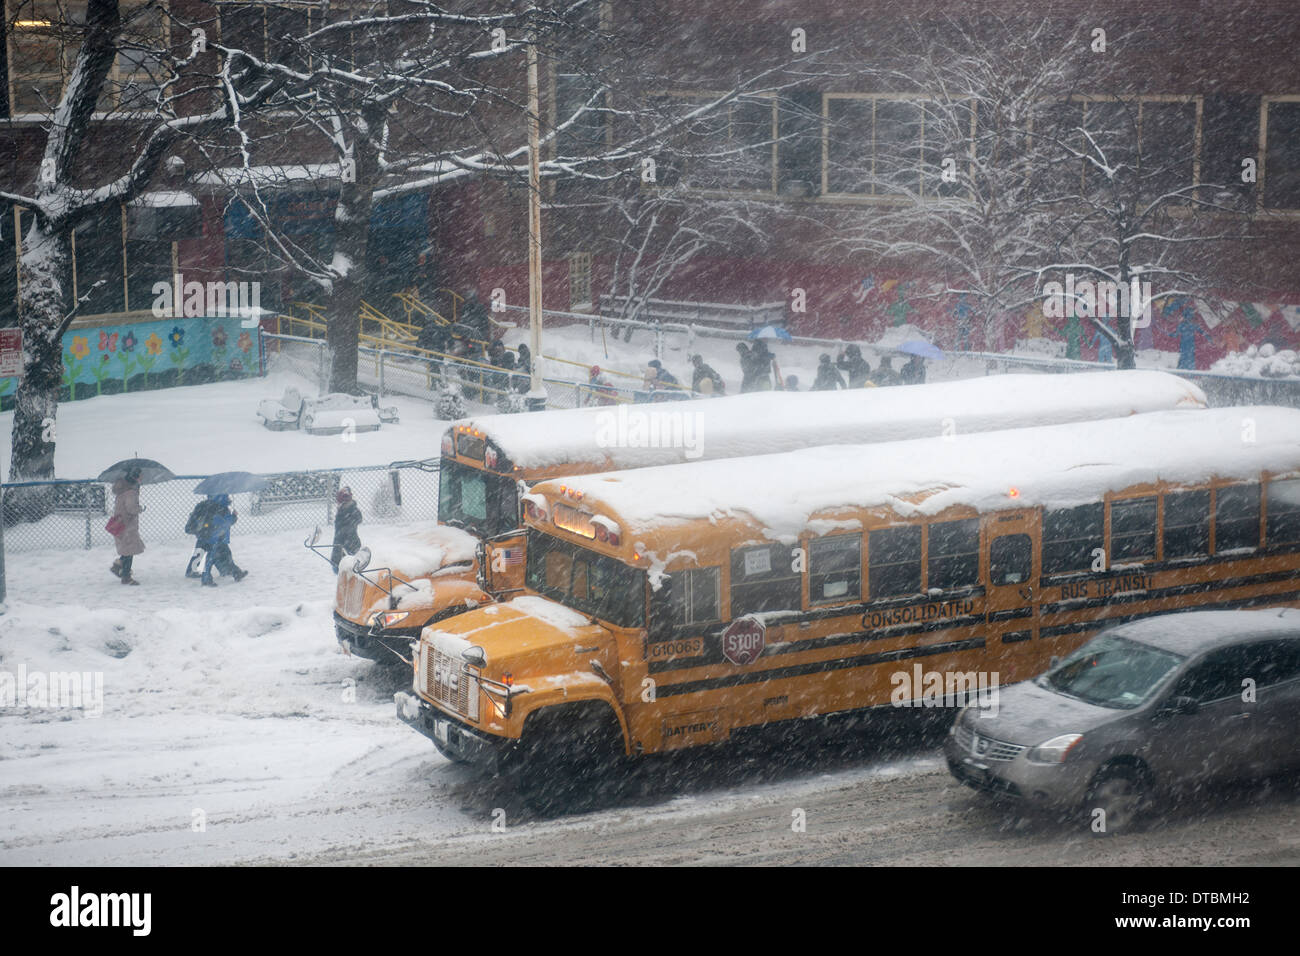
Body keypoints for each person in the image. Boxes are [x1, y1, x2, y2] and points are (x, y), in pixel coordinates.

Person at [197, 494, 246, 587]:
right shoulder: (222, 509)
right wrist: (234, 516)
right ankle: (206, 578)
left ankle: (236, 572)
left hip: (212, 537)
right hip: (217, 538)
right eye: (226, 497)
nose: (228, 499)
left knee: (226, 555)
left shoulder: (209, 507)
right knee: (211, 559)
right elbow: (227, 522)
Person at [109, 467, 144, 585]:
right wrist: (139, 508)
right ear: (134, 478)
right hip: (128, 525)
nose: (141, 478)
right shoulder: (130, 493)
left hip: (120, 523)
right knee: (130, 551)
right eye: (139, 476)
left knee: (127, 550)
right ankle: (126, 576)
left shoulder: (122, 490)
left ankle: (119, 565)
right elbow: (131, 509)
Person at [331, 487, 363, 572]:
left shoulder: (349, 512)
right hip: (346, 547)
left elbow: (344, 534)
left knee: (348, 571)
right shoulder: (346, 511)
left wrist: (337, 557)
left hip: (348, 548)